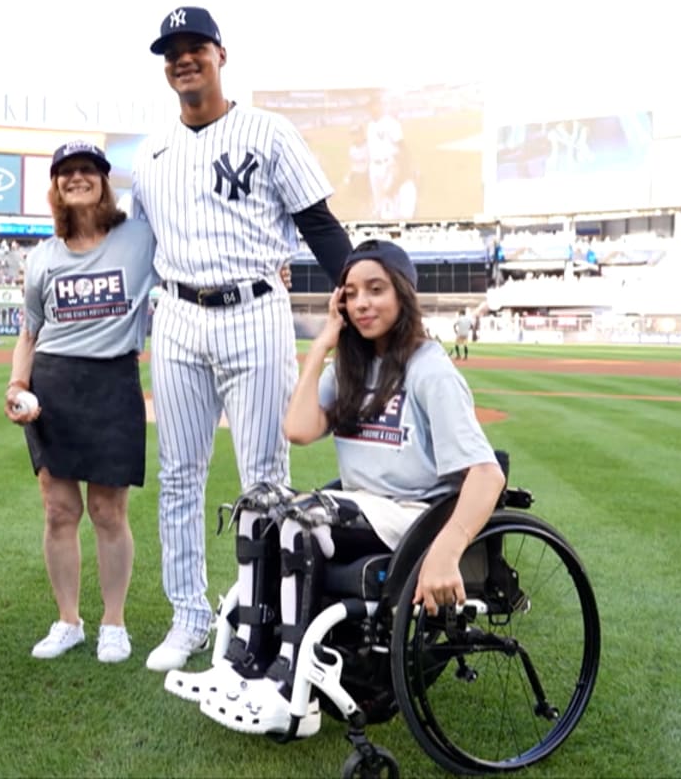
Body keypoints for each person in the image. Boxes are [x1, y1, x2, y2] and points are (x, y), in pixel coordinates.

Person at [166, 239, 505, 737]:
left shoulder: (429, 369)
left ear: (404, 295)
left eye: (376, 290)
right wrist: (325, 342)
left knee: (301, 521)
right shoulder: (351, 366)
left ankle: (288, 685)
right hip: (363, 507)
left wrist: (446, 552)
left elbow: (487, 474)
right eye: (350, 294)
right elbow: (299, 429)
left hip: (414, 513)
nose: (362, 303)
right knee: (261, 508)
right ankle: (244, 662)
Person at [132, 6, 353, 672]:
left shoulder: (268, 132)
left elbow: (318, 222)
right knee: (178, 474)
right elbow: (137, 247)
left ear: (220, 54)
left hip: (255, 309)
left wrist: (361, 291)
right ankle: (189, 617)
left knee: (265, 479)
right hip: (174, 316)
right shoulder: (148, 155)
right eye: (172, 51)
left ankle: (266, 617)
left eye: (194, 46)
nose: (183, 59)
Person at [7, 141, 156, 664]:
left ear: (103, 180)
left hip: (113, 380)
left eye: (87, 170)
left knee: (109, 511)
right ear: (55, 186)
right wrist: (15, 386)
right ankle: (68, 620)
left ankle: (113, 622)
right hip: (53, 385)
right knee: (59, 511)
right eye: (66, 172)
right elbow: (30, 331)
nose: (77, 178)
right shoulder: (43, 256)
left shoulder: (138, 238)